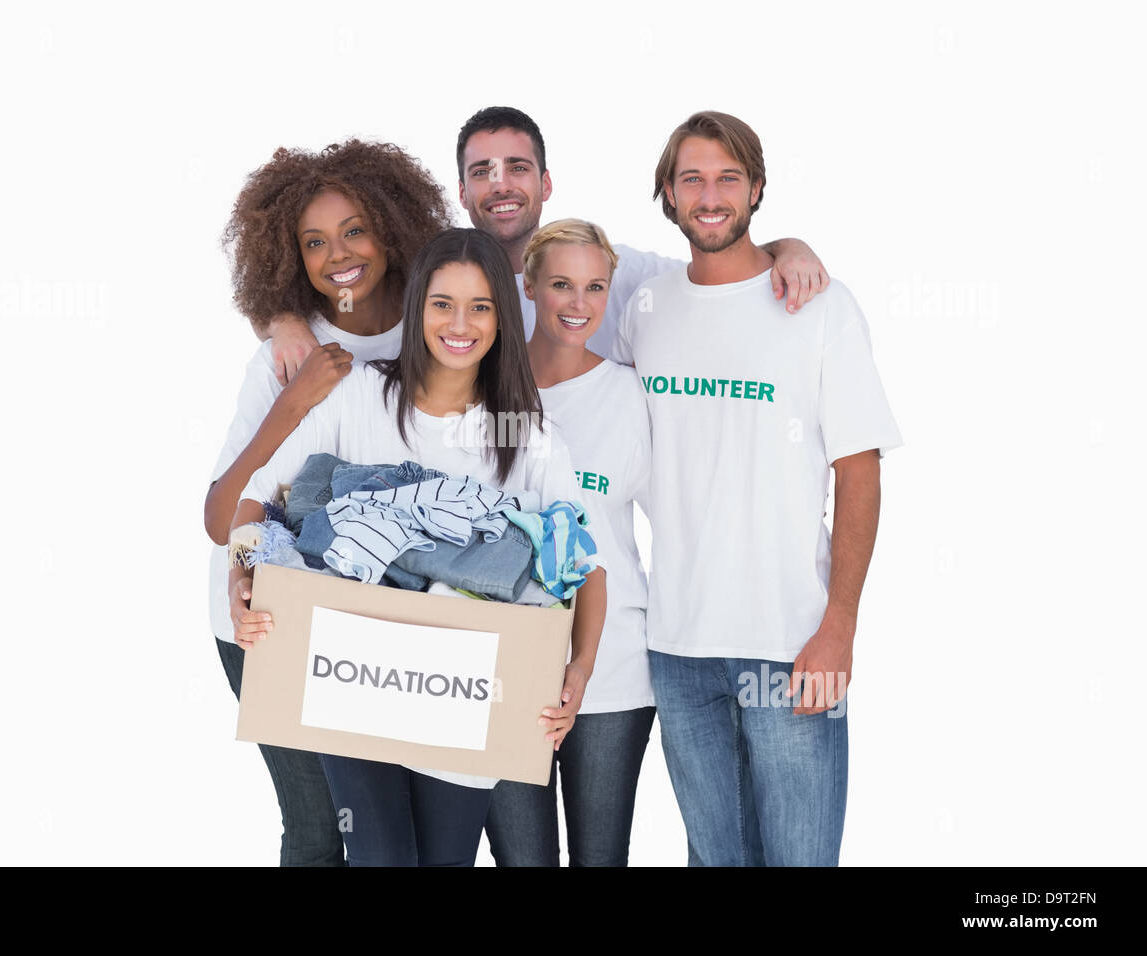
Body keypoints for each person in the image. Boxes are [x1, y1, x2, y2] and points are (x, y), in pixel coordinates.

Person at [227, 227, 611, 867]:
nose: (460, 324)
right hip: (353, 679)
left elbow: (583, 565)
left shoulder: (523, 432)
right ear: (417, 309)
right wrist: (240, 581)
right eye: (442, 303)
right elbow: (255, 500)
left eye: (480, 307)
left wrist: (579, 669)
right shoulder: (358, 397)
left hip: (465, 699)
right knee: (381, 858)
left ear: (501, 318)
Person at [612, 111, 903, 866]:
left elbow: (859, 471)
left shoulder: (819, 307)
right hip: (676, 648)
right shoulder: (641, 306)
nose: (710, 196)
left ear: (757, 188)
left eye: (727, 178)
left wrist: (838, 622)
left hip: (791, 643)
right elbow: (545, 296)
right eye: (692, 179)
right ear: (667, 195)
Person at [203, 138, 451, 865]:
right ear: (290, 256)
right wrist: (297, 396)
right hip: (267, 617)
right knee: (318, 828)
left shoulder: (440, 329)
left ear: (392, 227)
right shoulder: (284, 352)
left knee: (387, 833)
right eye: (313, 242)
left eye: (354, 230)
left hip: (382, 624)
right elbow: (221, 519)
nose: (337, 254)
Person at [264, 107, 831, 382]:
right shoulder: (434, 277)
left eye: (518, 167)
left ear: (546, 183)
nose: (501, 184)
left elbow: (714, 266)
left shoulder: (613, 269)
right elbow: (338, 285)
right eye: (482, 171)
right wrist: (283, 320)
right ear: (462, 192)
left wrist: (786, 246)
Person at [483, 219, 654, 866]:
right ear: (527, 286)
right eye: (560, 284)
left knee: (600, 859)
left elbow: (681, 517)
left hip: (611, 669)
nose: (578, 304)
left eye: (594, 287)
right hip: (504, 666)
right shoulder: (482, 385)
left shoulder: (630, 395)